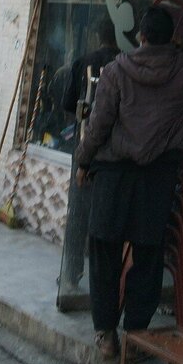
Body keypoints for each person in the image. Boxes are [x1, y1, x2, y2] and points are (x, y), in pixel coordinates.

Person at [75, 5, 183, 360]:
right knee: (148, 257)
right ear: (171, 39)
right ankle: (136, 334)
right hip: (158, 177)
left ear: (141, 36)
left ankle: (105, 335)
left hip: (115, 174)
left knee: (104, 252)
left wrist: (83, 161)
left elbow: (99, 125)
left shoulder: (116, 71)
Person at [57, 19, 120, 296]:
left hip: (86, 148)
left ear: (97, 36)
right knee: (108, 217)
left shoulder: (84, 62)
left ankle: (70, 275)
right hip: (117, 155)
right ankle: (104, 282)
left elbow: (69, 105)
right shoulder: (126, 64)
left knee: (79, 213)